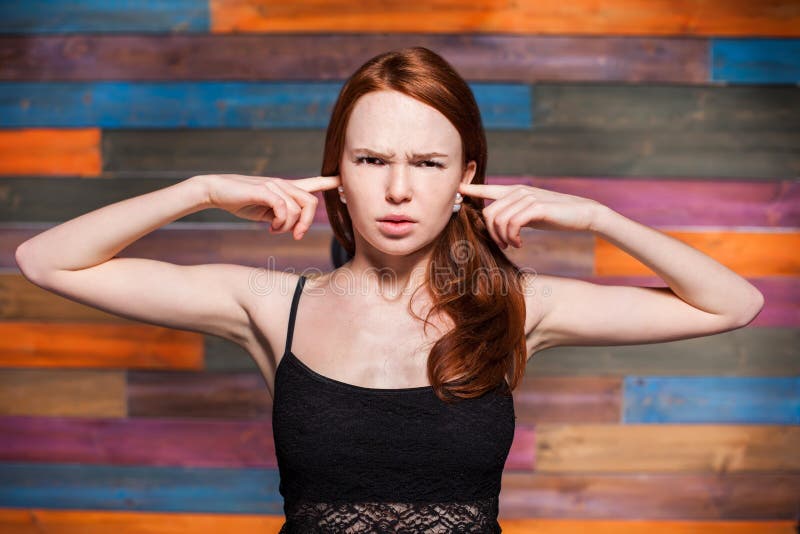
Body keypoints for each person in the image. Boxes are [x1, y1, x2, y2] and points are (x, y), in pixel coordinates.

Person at [15, 46, 764, 533]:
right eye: (372, 160)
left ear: (467, 177)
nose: (399, 190)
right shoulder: (273, 305)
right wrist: (201, 188)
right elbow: (49, 260)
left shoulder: (517, 304)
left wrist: (598, 217)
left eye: (429, 165)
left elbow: (733, 303)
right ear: (337, 170)